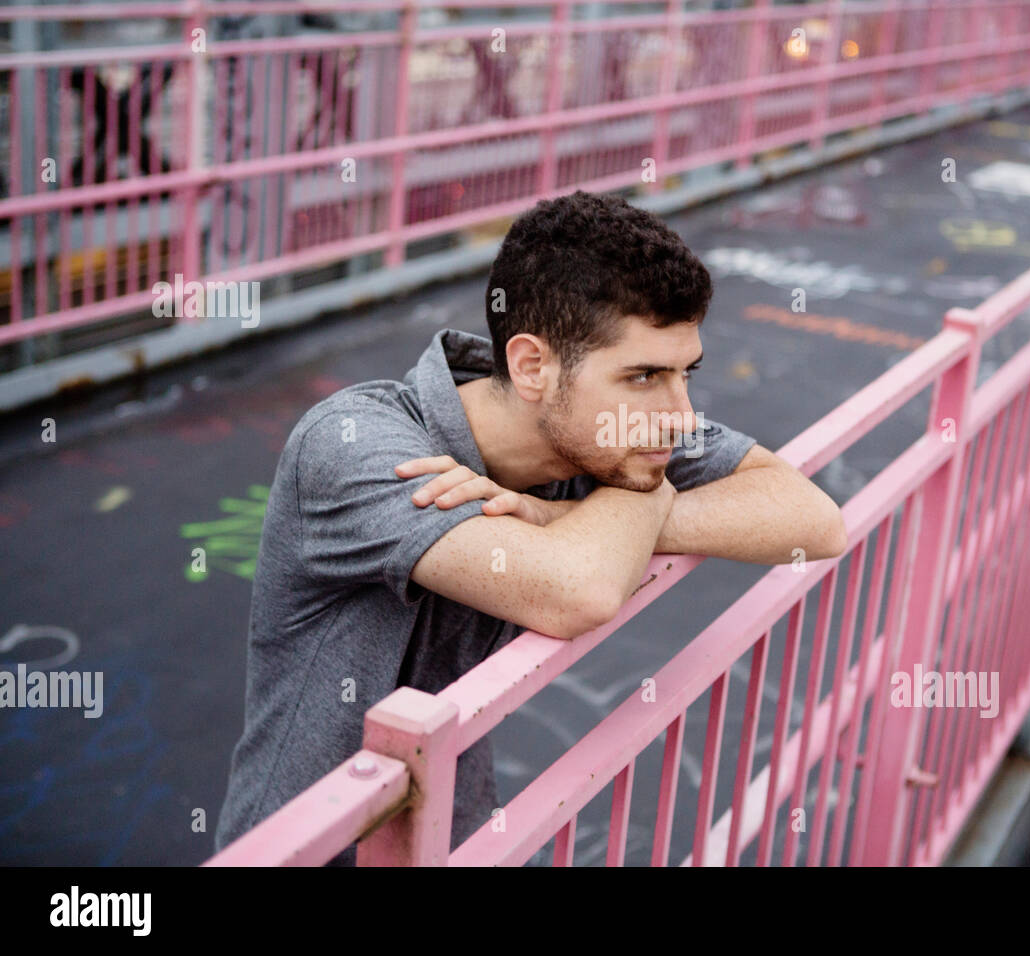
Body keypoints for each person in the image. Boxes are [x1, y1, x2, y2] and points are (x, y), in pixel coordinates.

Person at [213, 189, 847, 866]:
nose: (680, 415)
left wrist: (579, 511)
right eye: (644, 375)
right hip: (303, 853)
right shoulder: (357, 446)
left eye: (685, 373)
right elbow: (580, 590)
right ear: (533, 366)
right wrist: (641, 488)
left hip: (453, 839)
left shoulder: (612, 430)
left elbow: (815, 520)